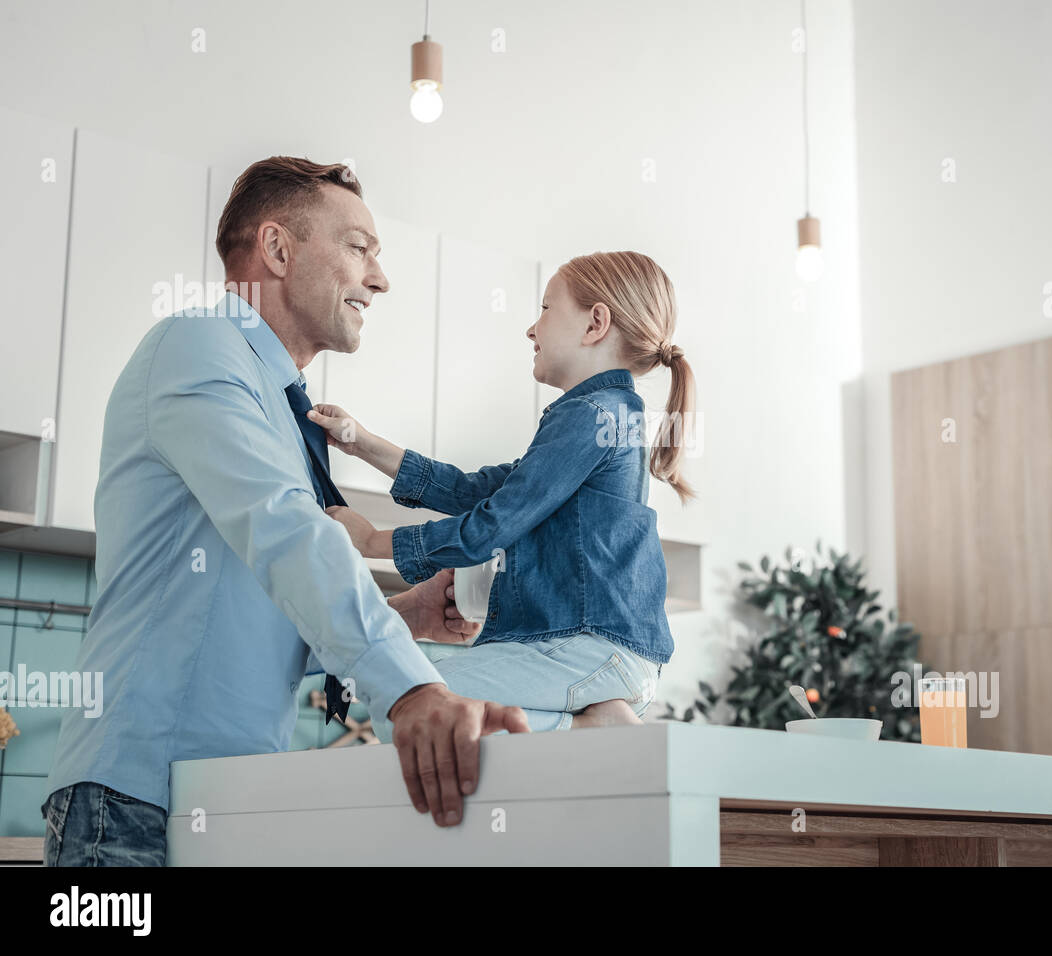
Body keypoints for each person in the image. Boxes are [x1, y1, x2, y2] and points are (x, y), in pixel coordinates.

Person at [39, 157, 622, 867]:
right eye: (359, 248)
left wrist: (403, 617)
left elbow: (256, 608)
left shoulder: (282, 403)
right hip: (131, 805)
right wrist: (410, 691)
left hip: (225, 801)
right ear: (279, 250)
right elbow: (287, 531)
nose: (379, 279)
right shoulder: (197, 348)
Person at [310, 251, 694, 736]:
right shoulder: (605, 417)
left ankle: (587, 727)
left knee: (407, 706)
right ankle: (591, 725)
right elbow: (477, 490)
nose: (531, 330)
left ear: (596, 323)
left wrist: (371, 541)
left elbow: (493, 523)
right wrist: (362, 444)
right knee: (419, 709)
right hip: (602, 656)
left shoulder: (593, 415)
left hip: (584, 648)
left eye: (547, 309)